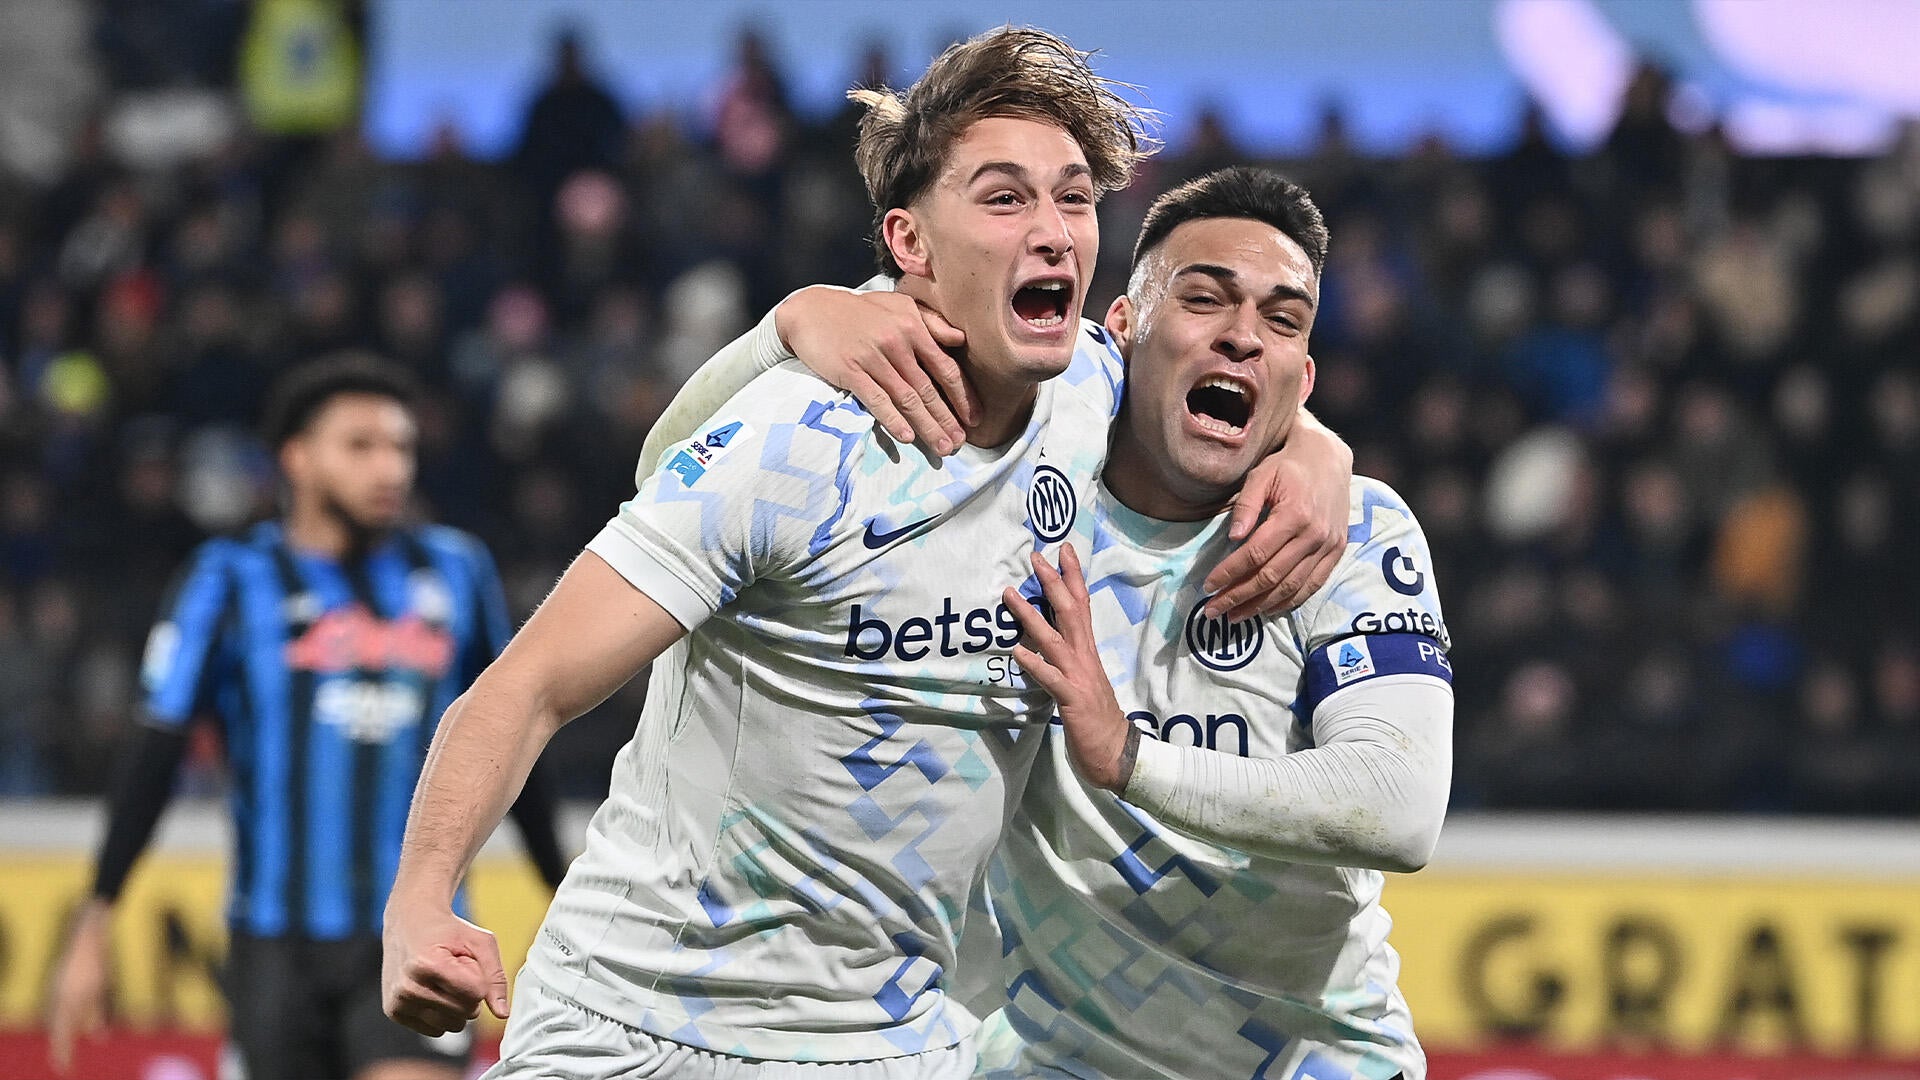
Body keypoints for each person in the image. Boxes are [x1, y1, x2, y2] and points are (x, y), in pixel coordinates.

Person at [380, 27, 1349, 1080]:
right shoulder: (801, 439)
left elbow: (1235, 382)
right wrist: (422, 901)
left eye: (1073, 199)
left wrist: (1315, 452)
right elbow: (525, 686)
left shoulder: (1092, 397)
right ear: (909, 242)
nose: (1054, 233)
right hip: (641, 1025)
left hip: (890, 1047)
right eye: (1004, 198)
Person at [671, 168, 1451, 1078]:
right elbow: (673, 475)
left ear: (1302, 377)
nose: (1244, 335)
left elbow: (1399, 809)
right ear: (1118, 329)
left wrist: (1128, 758)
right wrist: (788, 326)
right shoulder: (1005, 500)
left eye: (1282, 322)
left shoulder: (1349, 532)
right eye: (1204, 299)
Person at [48, 354, 569, 1080]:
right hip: (272, 944)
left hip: (417, 925)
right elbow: (155, 753)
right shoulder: (229, 577)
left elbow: (513, 738)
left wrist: (560, 896)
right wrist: (97, 916)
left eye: (402, 447)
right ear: (296, 458)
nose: (390, 468)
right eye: (361, 446)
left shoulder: (456, 570)